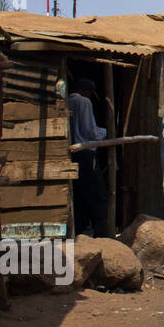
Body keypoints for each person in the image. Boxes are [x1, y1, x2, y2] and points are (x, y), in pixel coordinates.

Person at [68, 78, 108, 238]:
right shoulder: (83, 101)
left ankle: (78, 231)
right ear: (86, 92)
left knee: (78, 194)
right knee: (98, 195)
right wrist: (105, 132)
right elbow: (88, 130)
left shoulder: (68, 101)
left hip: (73, 154)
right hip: (85, 152)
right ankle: (102, 234)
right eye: (91, 94)